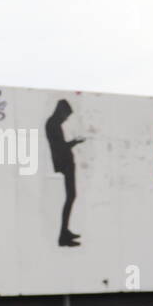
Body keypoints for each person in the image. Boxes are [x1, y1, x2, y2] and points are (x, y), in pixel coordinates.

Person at [44, 99, 85, 246]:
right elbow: (60, 147)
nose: (66, 118)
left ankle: (65, 232)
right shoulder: (53, 124)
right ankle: (63, 234)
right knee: (70, 197)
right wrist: (75, 142)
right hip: (65, 164)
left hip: (65, 163)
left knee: (70, 197)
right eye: (66, 115)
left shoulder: (53, 124)